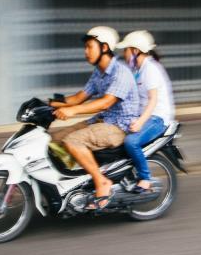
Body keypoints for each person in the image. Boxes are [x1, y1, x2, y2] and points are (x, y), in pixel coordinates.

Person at [48, 26, 141, 209]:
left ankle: (101, 181)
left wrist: (73, 111)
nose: (86, 52)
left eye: (89, 47)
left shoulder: (120, 72)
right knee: (53, 139)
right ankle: (75, 180)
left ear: (104, 48)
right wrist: (49, 104)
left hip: (119, 127)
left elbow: (106, 102)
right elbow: (78, 97)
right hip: (101, 121)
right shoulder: (99, 72)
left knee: (73, 140)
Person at [116, 30, 175, 193]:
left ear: (135, 51)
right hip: (146, 115)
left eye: (126, 50)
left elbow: (153, 100)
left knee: (131, 142)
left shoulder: (151, 69)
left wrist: (140, 122)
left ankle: (145, 178)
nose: (124, 54)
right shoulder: (139, 69)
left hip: (157, 119)